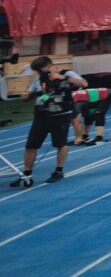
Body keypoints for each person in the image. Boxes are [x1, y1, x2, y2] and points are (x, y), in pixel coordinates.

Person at [13, 57, 85, 187]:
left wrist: (63, 78)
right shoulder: (39, 78)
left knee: (60, 143)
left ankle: (58, 171)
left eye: (42, 70)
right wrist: (26, 95)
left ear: (50, 65)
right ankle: (27, 174)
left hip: (61, 114)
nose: (41, 74)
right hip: (42, 115)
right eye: (39, 72)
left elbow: (84, 83)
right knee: (31, 145)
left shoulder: (67, 73)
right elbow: (30, 92)